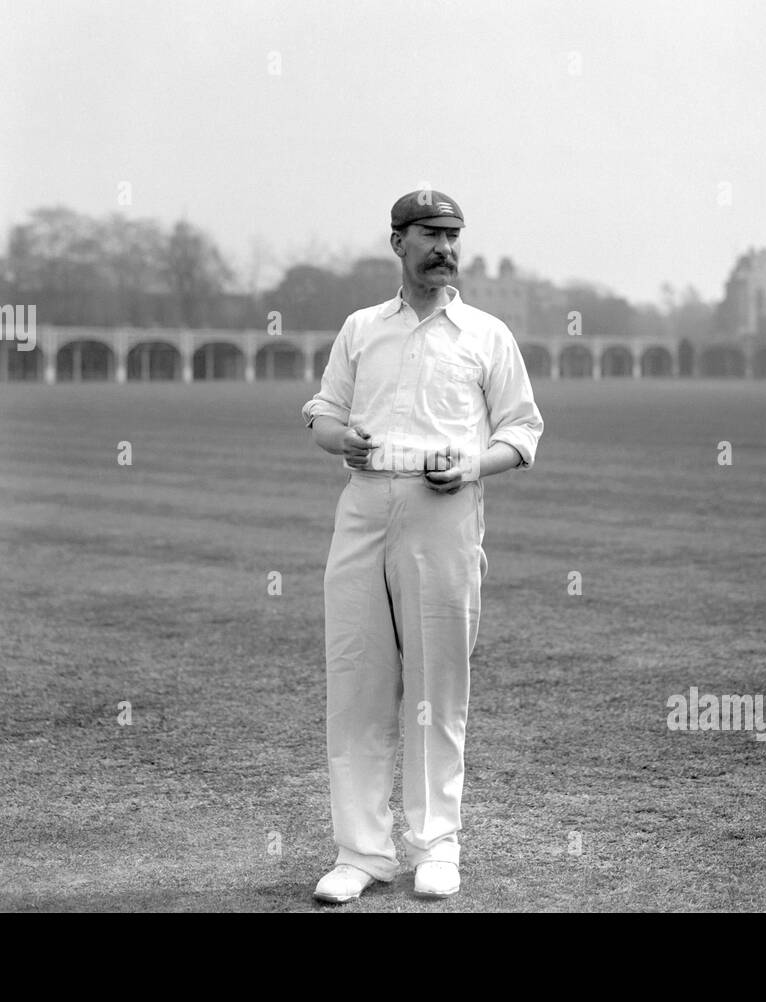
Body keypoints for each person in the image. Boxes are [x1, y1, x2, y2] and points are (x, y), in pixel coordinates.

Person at [301, 188, 544, 902]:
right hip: (364, 507)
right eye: (429, 235)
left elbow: (522, 432)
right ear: (398, 242)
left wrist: (472, 464)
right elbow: (323, 416)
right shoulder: (361, 329)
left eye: (453, 236)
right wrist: (339, 439)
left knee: (439, 688)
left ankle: (437, 845)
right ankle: (362, 852)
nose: (445, 249)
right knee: (355, 682)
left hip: (445, 514)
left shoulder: (486, 335)